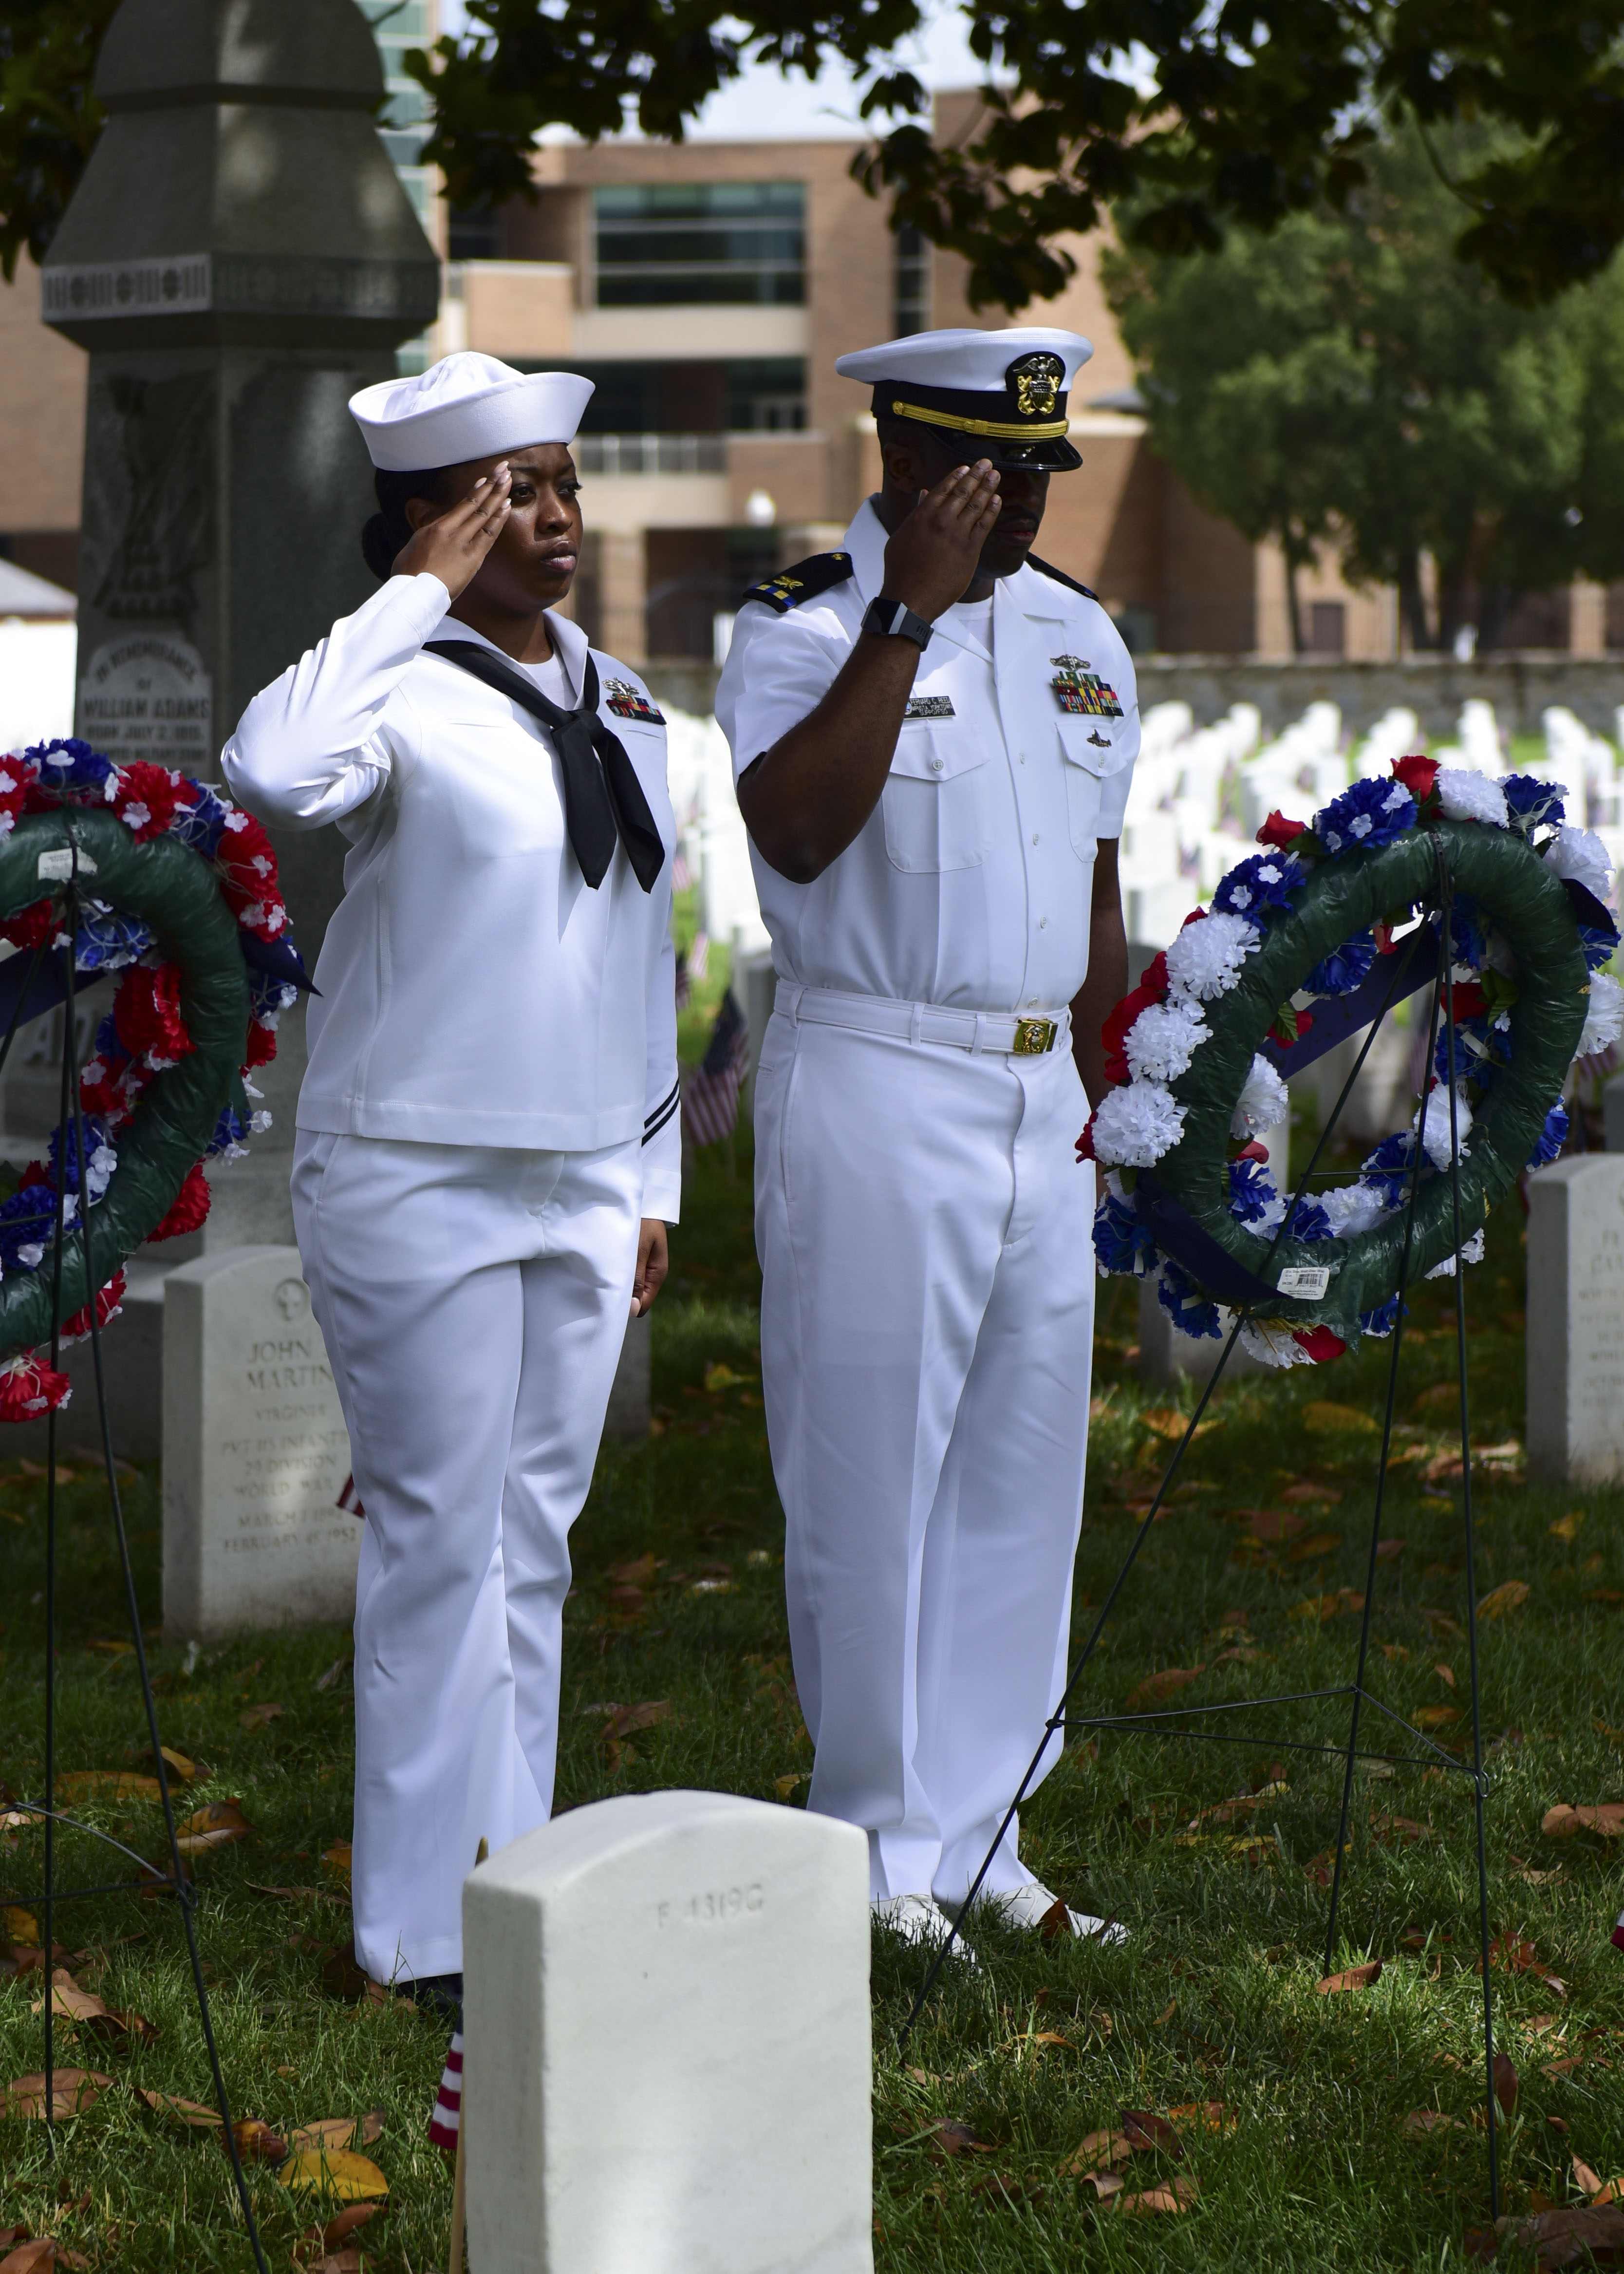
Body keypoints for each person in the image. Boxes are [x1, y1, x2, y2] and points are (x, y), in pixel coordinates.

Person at [222, 351, 680, 2005]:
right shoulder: (390, 693)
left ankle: (519, 1889)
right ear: (438, 518)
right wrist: (410, 600)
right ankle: (414, 1930)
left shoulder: (622, 699)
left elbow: (648, 952)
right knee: (436, 1539)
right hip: (410, 1165)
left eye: (565, 486)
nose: (558, 518)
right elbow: (269, 771)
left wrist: (654, 1182)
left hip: (576, 1170)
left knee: (533, 1540)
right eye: (518, 493)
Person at [715, 327, 1137, 1951]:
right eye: (992, 466)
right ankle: (877, 1848)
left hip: (1044, 1098)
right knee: (871, 1474)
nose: (1023, 497)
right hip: (881, 1075)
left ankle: (984, 1839)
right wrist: (910, 612)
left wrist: (1119, 1075)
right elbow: (800, 829)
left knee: (1025, 1479)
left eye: (1042, 469)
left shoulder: (1081, 634)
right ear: (903, 454)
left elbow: (1092, 885)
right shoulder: (809, 624)